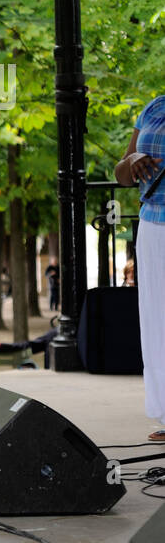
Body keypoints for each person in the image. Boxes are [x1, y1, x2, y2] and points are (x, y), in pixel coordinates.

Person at [114, 92, 164, 440]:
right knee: (156, 320)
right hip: (152, 226)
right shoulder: (155, 106)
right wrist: (132, 159)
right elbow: (122, 176)